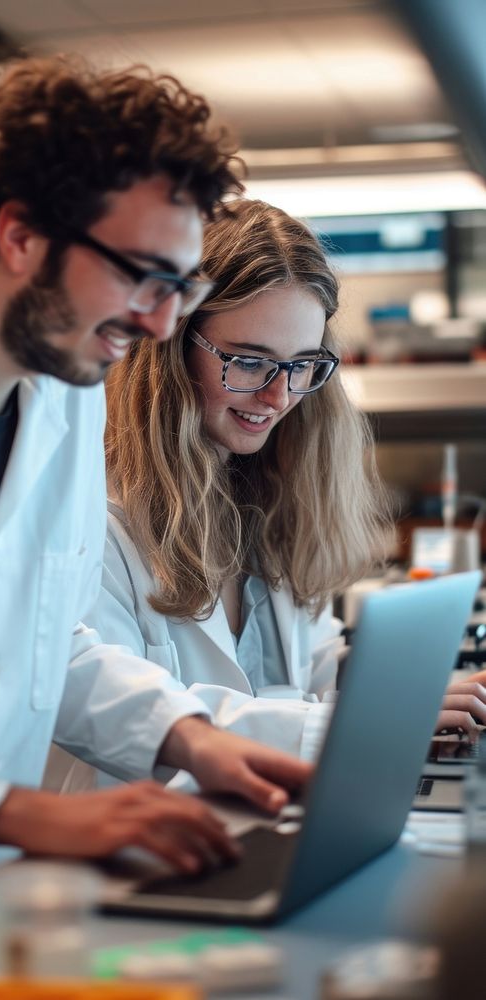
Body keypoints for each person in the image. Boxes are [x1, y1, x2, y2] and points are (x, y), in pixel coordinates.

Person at [0, 60, 313, 956]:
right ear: (19, 236)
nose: (160, 324)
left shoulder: (65, 383)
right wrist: (18, 812)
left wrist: (187, 736)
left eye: (180, 289)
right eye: (143, 277)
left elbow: (54, 642)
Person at [48, 198, 486, 793]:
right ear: (170, 349)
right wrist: (342, 729)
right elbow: (120, 717)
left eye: (303, 365)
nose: (279, 398)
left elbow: (302, 669)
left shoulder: (268, 493)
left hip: (262, 819)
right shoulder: (90, 518)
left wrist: (399, 701)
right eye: (249, 362)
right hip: (140, 833)